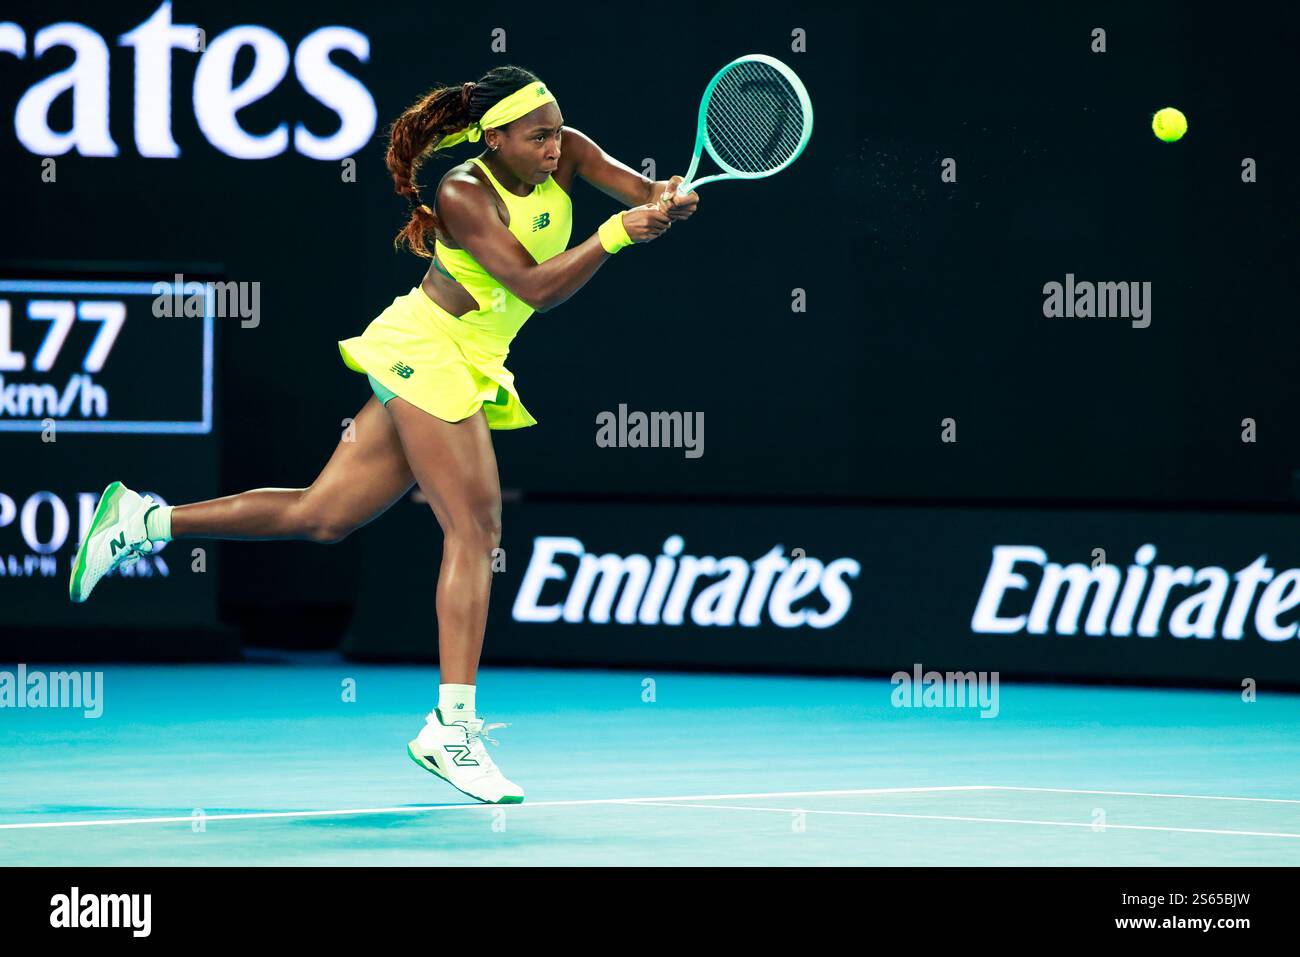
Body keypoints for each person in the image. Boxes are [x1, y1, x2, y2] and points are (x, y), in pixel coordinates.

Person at [67, 64, 700, 805]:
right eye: (537, 137)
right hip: (428, 348)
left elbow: (642, 192)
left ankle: (142, 518)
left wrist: (666, 201)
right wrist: (619, 235)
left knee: (322, 515)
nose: (554, 147)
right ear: (494, 136)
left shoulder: (572, 150)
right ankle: (451, 727)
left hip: (472, 356)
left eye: (557, 130)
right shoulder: (464, 192)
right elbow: (534, 287)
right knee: (474, 525)